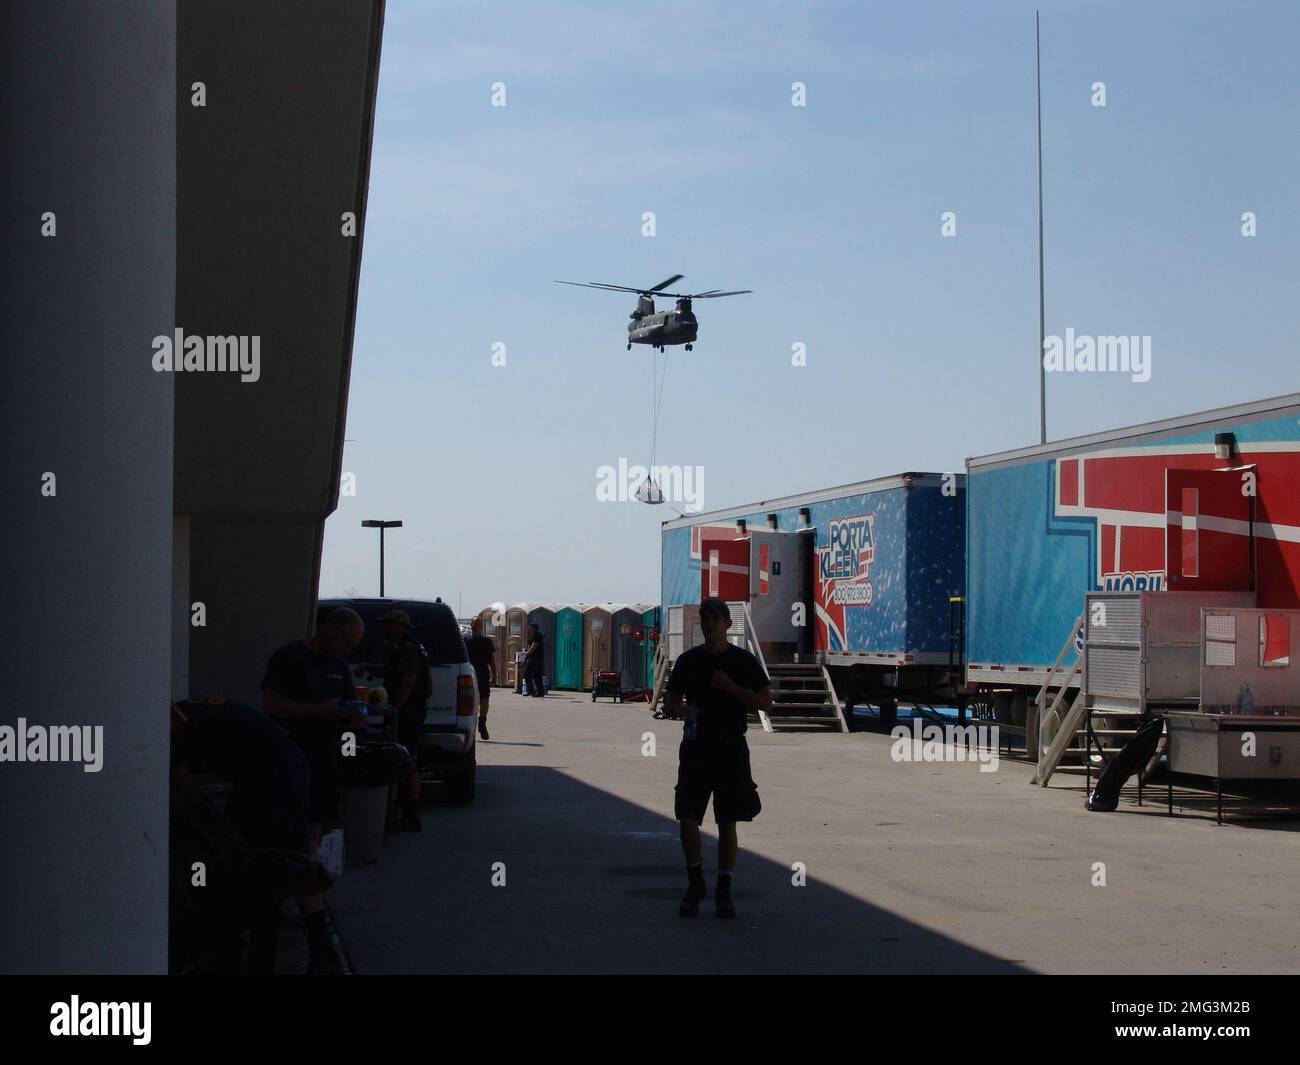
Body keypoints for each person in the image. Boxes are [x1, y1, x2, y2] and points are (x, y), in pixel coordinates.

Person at [171, 697, 336, 974]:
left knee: (270, 867)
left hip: (273, 776)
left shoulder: (170, 728)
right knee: (254, 861)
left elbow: (180, 785)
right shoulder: (186, 713)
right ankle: (315, 952)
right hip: (271, 768)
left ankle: (296, 956)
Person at [663, 598, 772, 919]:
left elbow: (766, 703)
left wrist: (731, 688)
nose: (709, 624)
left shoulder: (743, 662)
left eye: (715, 619)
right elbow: (671, 699)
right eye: (705, 618)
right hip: (696, 748)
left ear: (727, 624)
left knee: (727, 822)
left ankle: (724, 891)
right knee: (687, 817)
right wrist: (678, 709)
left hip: (730, 749)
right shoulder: (688, 661)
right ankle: (695, 882)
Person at [261, 608, 368, 881]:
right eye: (346, 642)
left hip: (323, 756)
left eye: (353, 646)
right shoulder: (289, 657)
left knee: (315, 820)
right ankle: (281, 880)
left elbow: (346, 705)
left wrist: (353, 717)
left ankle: (306, 881)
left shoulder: (339, 667)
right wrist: (318, 711)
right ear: (328, 630)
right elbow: (271, 704)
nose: (347, 651)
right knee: (283, 822)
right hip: (286, 754)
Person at [381, 608, 428, 832]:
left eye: (389, 624)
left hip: (409, 712)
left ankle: (410, 814)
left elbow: (408, 680)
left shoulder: (408, 649)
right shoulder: (402, 648)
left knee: (408, 761)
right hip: (408, 711)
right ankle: (399, 812)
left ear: (401, 626)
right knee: (404, 760)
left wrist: (394, 710)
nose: (385, 628)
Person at [466, 616, 497, 739]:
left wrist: (495, 675)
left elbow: (492, 660)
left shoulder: (487, 641)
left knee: (485, 699)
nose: (477, 627)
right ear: (471, 625)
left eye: (479, 625)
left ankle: (482, 724)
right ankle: (471, 725)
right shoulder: (465, 640)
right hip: (470, 672)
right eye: (475, 624)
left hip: (483, 672)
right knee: (471, 700)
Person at [523, 622, 546, 698]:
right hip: (534, 658)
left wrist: (526, 653)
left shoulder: (537, 635)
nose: (529, 629)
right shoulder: (534, 635)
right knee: (536, 675)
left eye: (530, 628)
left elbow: (533, 646)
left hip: (535, 659)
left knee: (528, 674)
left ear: (534, 629)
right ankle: (537, 692)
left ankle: (533, 691)